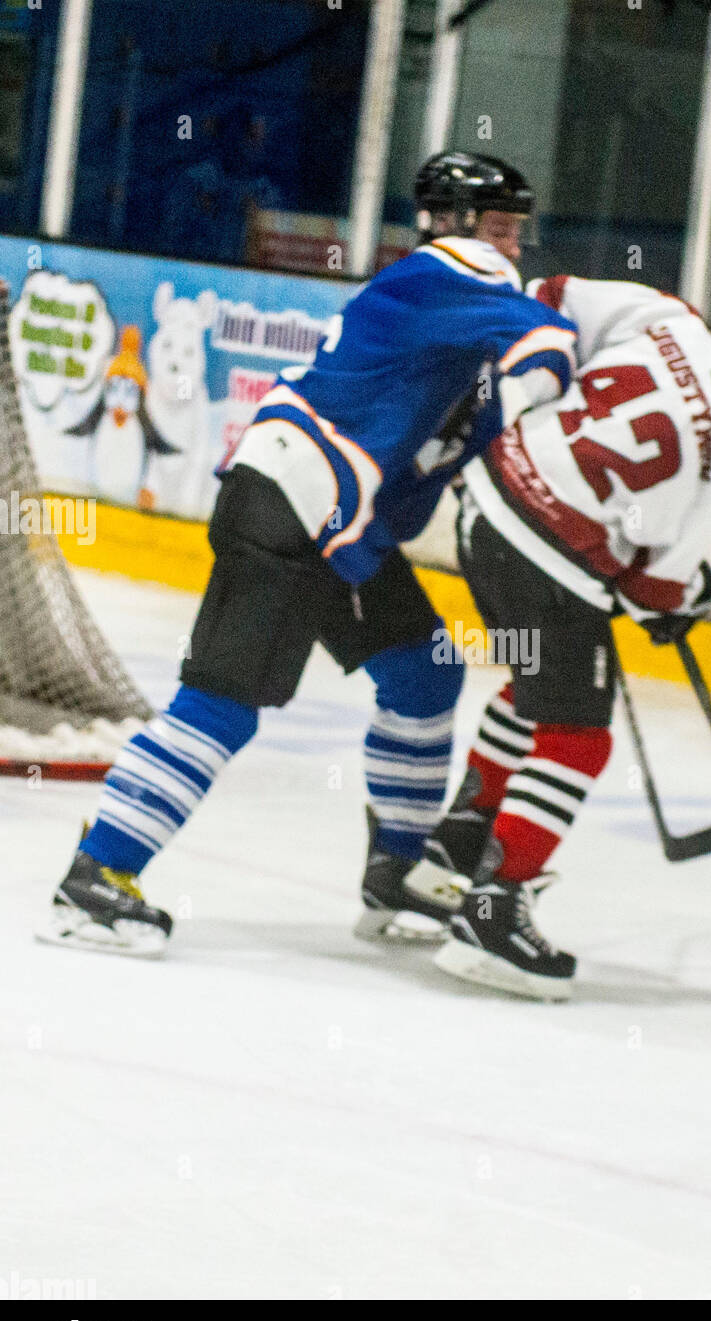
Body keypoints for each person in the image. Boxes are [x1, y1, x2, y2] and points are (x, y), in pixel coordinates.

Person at [41, 153, 577, 959]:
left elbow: (452, 452)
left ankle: (396, 869)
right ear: (452, 221)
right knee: (225, 700)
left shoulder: (461, 318)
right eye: (496, 222)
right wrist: (561, 378)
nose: (510, 239)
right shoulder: (449, 270)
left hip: (336, 524)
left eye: (516, 227)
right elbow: (544, 340)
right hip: (291, 502)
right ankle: (95, 878)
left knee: (426, 669)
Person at [403, 282, 711, 1000]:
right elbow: (652, 586)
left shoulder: (668, 317)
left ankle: (453, 849)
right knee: (577, 736)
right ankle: (492, 911)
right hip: (549, 556)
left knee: (534, 692)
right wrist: (688, 598)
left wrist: (520, 402)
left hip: (485, 505)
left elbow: (549, 297)